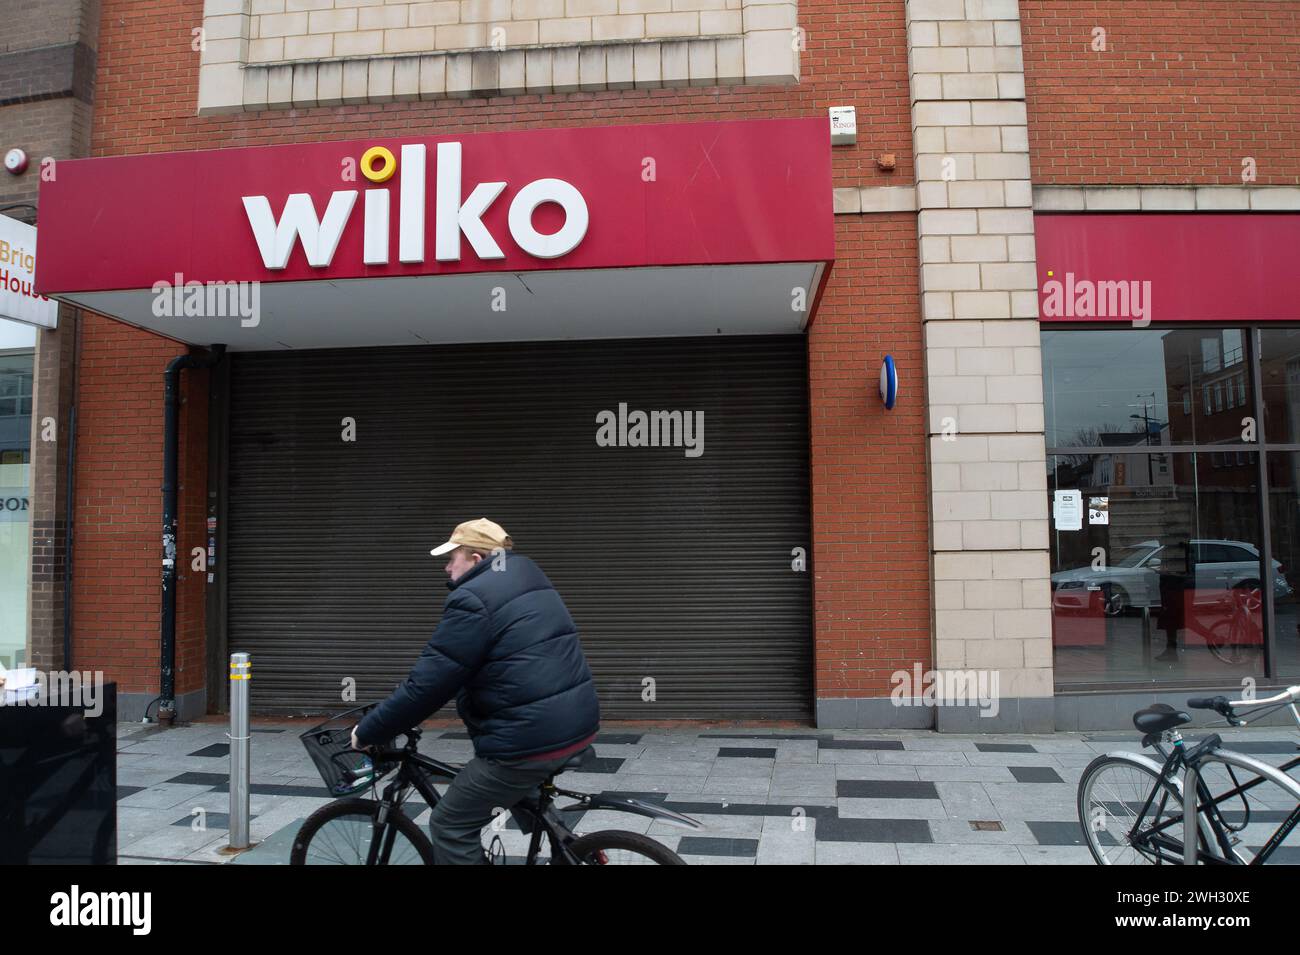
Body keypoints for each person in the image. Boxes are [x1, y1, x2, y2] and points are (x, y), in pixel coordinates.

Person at [350, 518, 600, 864]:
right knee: (517, 792)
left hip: (529, 738)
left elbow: (429, 684)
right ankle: (568, 846)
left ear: (478, 559)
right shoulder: (527, 577)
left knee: (450, 824)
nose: (447, 565)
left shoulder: (473, 598)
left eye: (454, 556)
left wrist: (369, 730)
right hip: (574, 722)